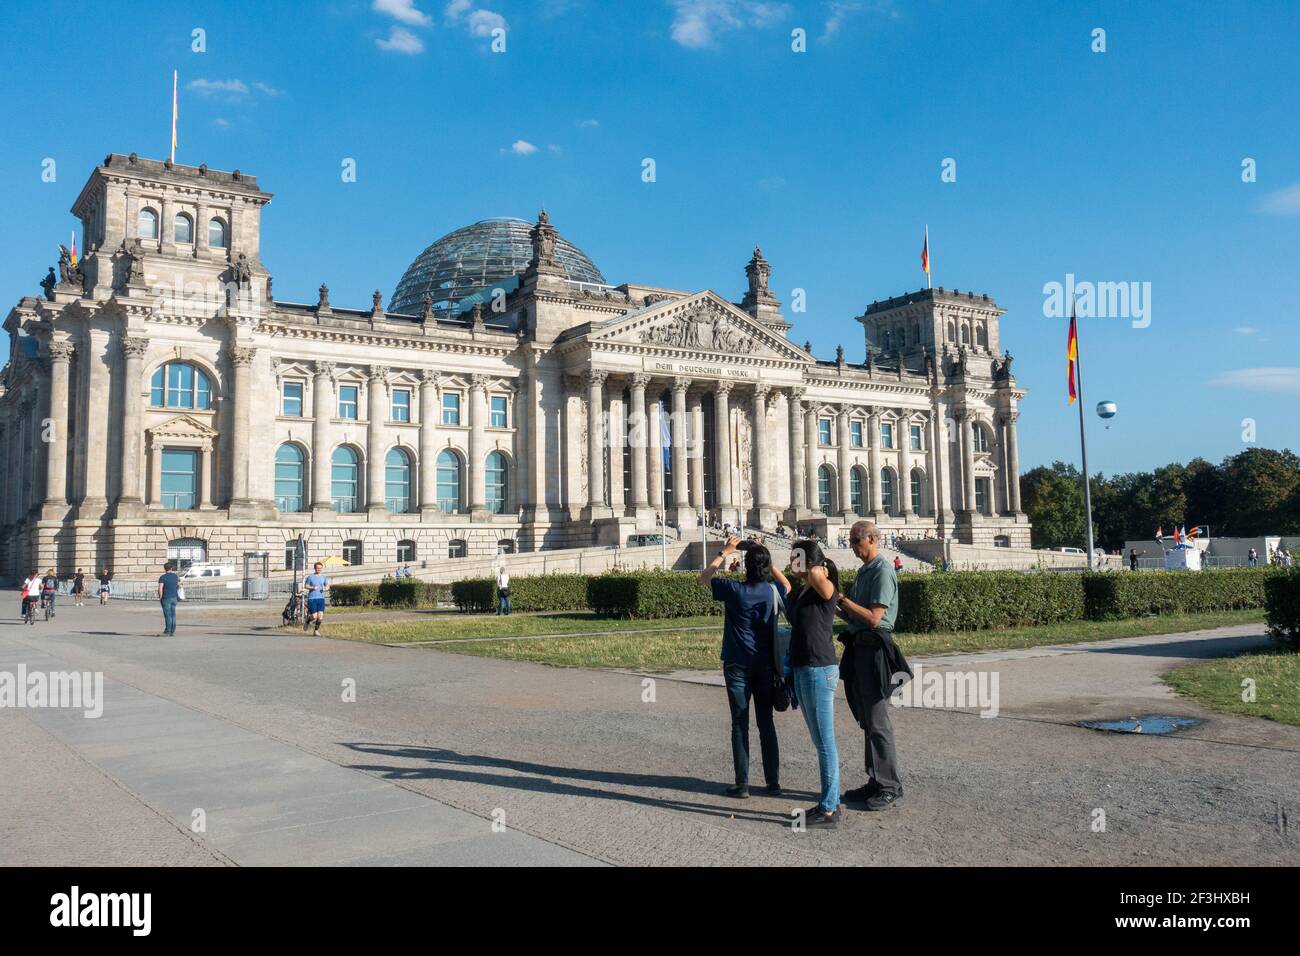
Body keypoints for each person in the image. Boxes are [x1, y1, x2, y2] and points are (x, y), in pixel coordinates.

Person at [701, 535, 787, 799]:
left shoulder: (735, 590)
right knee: (766, 723)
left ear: (746, 567)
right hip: (765, 665)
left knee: (740, 723)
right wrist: (765, 556)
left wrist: (724, 552)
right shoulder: (772, 591)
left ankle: (743, 783)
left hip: (737, 664)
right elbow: (786, 584)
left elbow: (705, 578)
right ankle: (773, 782)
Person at [837, 519, 912, 811]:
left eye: (856, 540)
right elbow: (857, 617)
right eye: (851, 541)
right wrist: (836, 604)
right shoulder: (863, 572)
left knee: (878, 721)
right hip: (860, 648)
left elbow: (874, 618)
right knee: (867, 720)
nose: (852, 546)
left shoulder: (882, 571)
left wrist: (843, 599)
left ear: (871, 539)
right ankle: (876, 779)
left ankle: (890, 785)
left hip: (875, 649)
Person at [785, 539, 842, 827]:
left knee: (824, 743)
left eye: (796, 557)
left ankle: (829, 809)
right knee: (819, 741)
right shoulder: (805, 588)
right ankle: (832, 802)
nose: (792, 561)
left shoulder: (824, 585)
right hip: (804, 667)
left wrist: (813, 562)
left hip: (819, 668)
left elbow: (820, 576)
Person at [302, 562, 330, 635]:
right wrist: (312, 587)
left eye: (320, 568)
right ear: (315, 568)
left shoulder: (324, 577)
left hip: (321, 598)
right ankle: (307, 621)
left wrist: (325, 588)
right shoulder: (310, 577)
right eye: (317, 568)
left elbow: (327, 586)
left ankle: (316, 631)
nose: (319, 569)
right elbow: (306, 586)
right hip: (312, 598)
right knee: (314, 616)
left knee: (320, 616)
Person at [157, 562, 180, 637]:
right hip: (174, 597)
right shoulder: (175, 576)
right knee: (173, 614)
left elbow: (160, 588)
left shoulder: (163, 577)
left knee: (168, 615)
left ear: (165, 569)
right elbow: (177, 586)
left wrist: (160, 596)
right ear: (171, 568)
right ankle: (172, 631)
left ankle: (167, 631)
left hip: (166, 597)